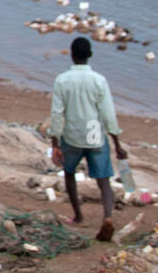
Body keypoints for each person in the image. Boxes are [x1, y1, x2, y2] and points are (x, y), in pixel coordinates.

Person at [49, 36, 128, 242]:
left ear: (72, 55)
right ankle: (108, 217)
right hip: (94, 133)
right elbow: (108, 114)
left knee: (69, 174)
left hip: (73, 133)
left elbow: (57, 113)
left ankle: (79, 216)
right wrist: (117, 143)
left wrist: (55, 142)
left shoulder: (62, 80)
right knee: (104, 180)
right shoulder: (99, 80)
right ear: (90, 55)